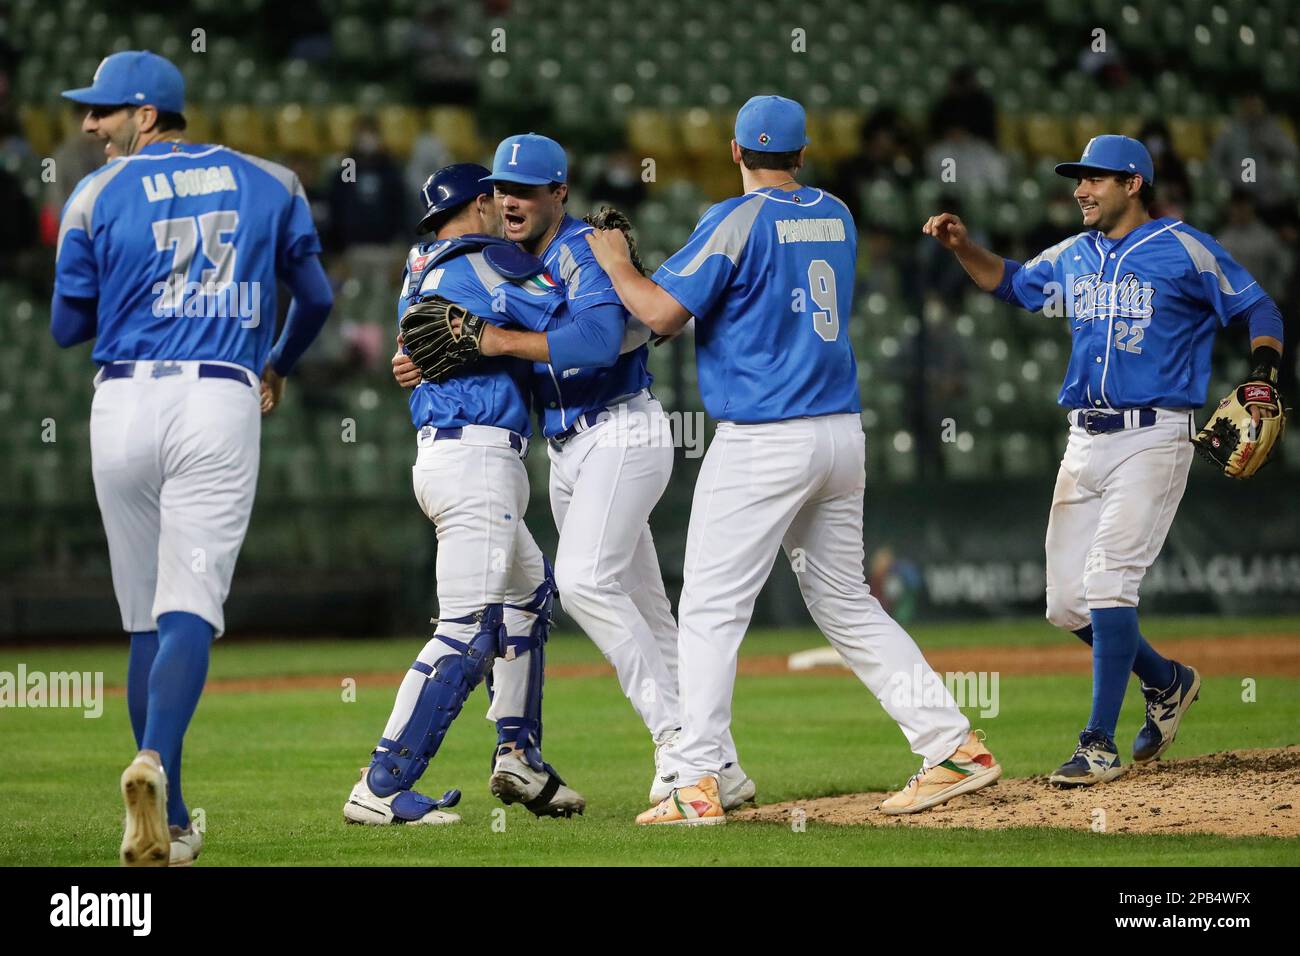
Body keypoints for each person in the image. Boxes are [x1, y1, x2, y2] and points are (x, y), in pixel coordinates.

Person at [586, 94, 1001, 825]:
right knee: (844, 601)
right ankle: (952, 746)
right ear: (803, 155)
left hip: (764, 438)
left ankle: (696, 778)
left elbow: (658, 315)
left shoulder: (732, 218)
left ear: (737, 152)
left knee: (710, 608)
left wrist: (618, 263)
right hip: (840, 433)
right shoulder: (837, 212)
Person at [922, 134, 1286, 785]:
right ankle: (1168, 682)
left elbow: (1257, 303)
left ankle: (1097, 743)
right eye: (1078, 180)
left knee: (1109, 582)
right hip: (1084, 440)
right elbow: (1009, 282)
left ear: (1133, 184)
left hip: (1154, 436)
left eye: (1094, 179)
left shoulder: (1183, 247)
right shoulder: (1074, 253)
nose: (1080, 190)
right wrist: (960, 247)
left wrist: (1264, 372)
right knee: (1066, 604)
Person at [52, 51, 333, 863]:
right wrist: (276, 360)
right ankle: (156, 770)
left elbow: (68, 330)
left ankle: (166, 824)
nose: (87, 125)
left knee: (143, 614)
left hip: (121, 403)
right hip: (218, 394)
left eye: (102, 111)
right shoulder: (270, 180)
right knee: (191, 606)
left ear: (147, 115)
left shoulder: (95, 193)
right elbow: (315, 296)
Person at [434, 133, 755, 809]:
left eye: (525, 190)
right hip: (568, 447)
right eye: (500, 190)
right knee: (648, 610)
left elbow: (596, 341)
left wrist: (490, 339)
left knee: (580, 581)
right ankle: (718, 765)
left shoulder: (581, 249)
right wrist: (435, 358)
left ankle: (675, 741)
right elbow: (501, 349)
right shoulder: (509, 261)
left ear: (559, 193)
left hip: (622, 430)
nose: (509, 201)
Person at [345, 164, 584, 824]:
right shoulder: (488, 259)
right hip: (475, 456)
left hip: (453, 452)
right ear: (480, 203)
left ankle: (518, 757)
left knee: (527, 595)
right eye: (496, 199)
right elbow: (576, 319)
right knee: (467, 631)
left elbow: (421, 350)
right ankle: (383, 783)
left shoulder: (421, 262)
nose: (505, 208)